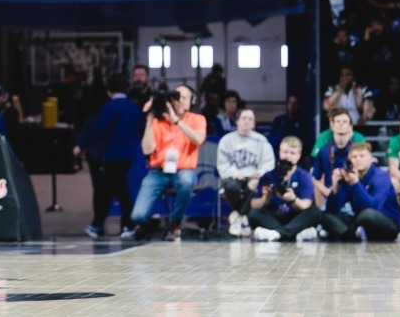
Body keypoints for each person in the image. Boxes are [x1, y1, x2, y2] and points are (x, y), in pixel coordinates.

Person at [129, 83, 207, 240]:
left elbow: (198, 139)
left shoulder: (197, 119)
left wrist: (177, 120)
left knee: (186, 180)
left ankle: (175, 222)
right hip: (158, 171)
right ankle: (151, 224)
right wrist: (150, 118)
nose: (180, 100)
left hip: (184, 170)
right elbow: (146, 150)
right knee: (136, 217)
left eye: (185, 97)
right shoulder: (159, 121)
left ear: (192, 101)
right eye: (177, 97)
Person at [317, 140, 400, 242]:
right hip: (360, 220)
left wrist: (355, 184)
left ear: (370, 159)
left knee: (366, 215)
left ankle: (347, 234)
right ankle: (349, 235)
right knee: (323, 214)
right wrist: (335, 186)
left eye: (362, 156)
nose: (358, 159)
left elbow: (373, 207)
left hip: (386, 222)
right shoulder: (350, 176)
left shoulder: (381, 176)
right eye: (354, 157)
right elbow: (333, 209)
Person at [247, 136, 322, 242]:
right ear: (280, 152)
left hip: (295, 217)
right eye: (285, 152)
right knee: (253, 213)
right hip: (274, 217)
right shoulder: (269, 175)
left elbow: (305, 205)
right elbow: (254, 204)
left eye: (292, 153)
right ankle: (292, 233)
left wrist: (293, 199)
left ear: (299, 155)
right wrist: (265, 197)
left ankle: (277, 234)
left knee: (315, 213)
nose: (288, 156)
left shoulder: (304, 176)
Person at [216, 108, 274, 237]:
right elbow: (222, 164)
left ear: (254, 124)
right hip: (233, 176)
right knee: (230, 187)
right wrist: (235, 174)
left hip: (254, 177)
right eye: (244, 118)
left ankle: (237, 215)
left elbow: (268, 163)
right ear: (237, 121)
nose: (247, 121)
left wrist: (259, 173)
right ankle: (243, 217)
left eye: (250, 119)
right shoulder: (226, 140)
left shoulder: (261, 141)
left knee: (252, 186)